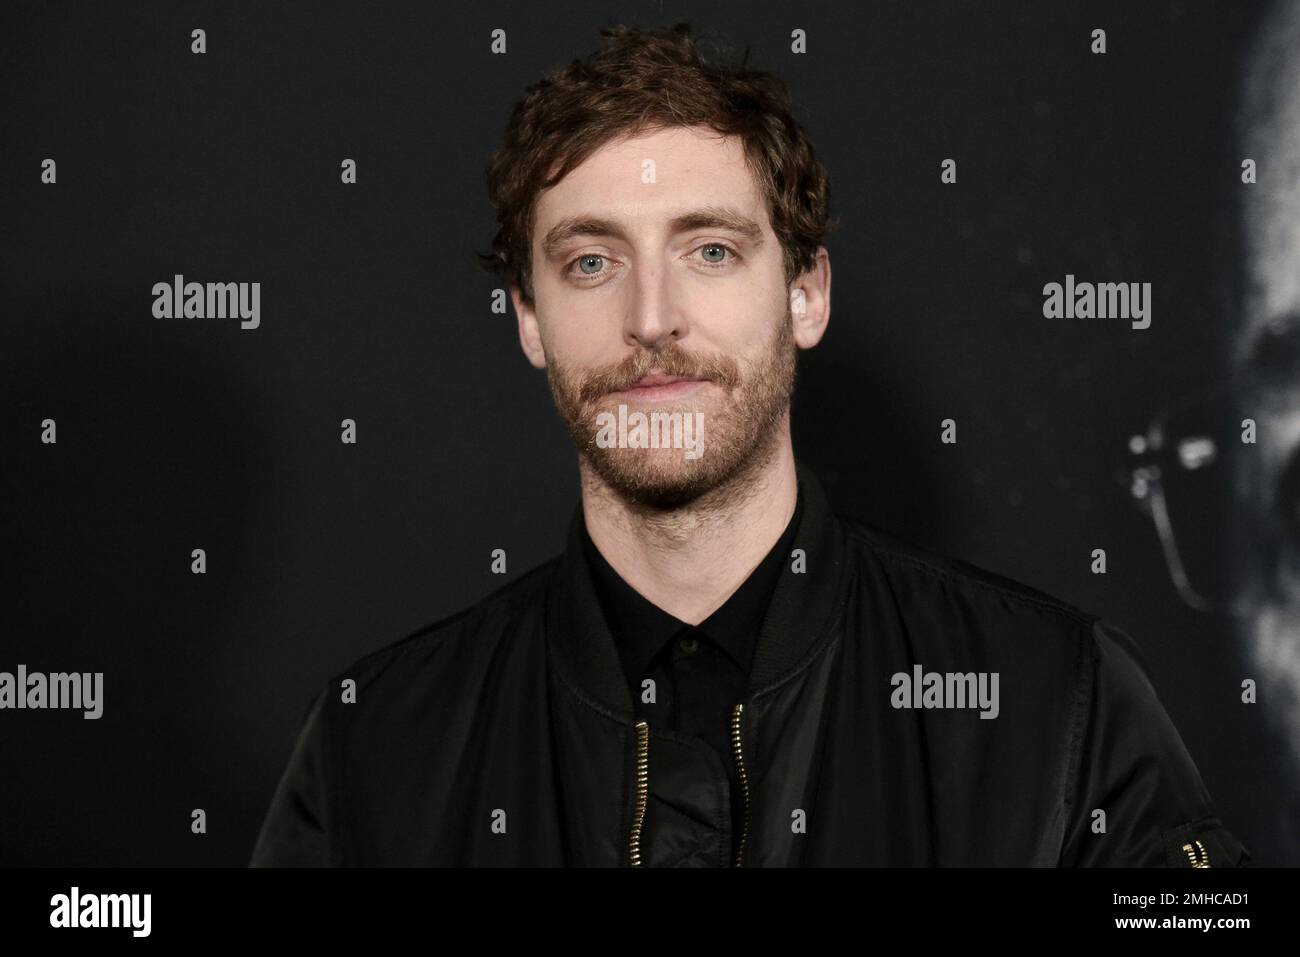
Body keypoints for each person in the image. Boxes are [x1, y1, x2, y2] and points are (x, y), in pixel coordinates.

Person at [249, 22, 1250, 867]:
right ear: (528, 318)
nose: (653, 317)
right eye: (592, 260)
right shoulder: (375, 747)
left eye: (710, 251)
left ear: (805, 293)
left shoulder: (1055, 705)